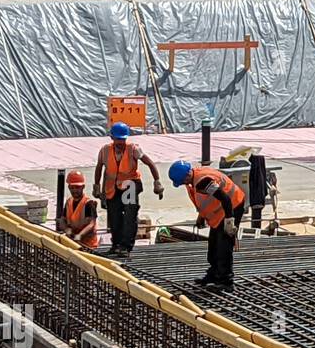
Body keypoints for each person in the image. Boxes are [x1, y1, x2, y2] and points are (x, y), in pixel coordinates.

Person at [168, 160, 246, 288]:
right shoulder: (195, 177)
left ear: (186, 176)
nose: (183, 184)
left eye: (182, 181)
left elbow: (225, 198)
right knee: (214, 244)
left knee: (223, 245)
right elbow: (206, 200)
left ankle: (226, 280)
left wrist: (229, 220)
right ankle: (214, 274)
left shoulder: (203, 182)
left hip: (232, 207)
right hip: (220, 212)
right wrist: (201, 216)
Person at [95, 123, 164, 257]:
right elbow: (99, 168)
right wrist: (97, 187)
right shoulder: (105, 150)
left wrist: (157, 182)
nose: (121, 142)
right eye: (118, 139)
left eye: (123, 139)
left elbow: (149, 163)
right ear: (112, 138)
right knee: (114, 216)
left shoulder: (133, 149)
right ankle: (116, 245)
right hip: (113, 186)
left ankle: (126, 246)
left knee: (129, 215)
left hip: (130, 184)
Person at [57, 171, 99, 250]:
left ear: (83, 187)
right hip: (72, 243)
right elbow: (62, 220)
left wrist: (79, 236)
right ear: (69, 187)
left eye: (77, 187)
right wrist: (68, 231)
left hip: (88, 245)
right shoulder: (69, 202)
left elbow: (91, 224)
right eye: (72, 188)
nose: (74, 190)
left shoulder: (89, 203)